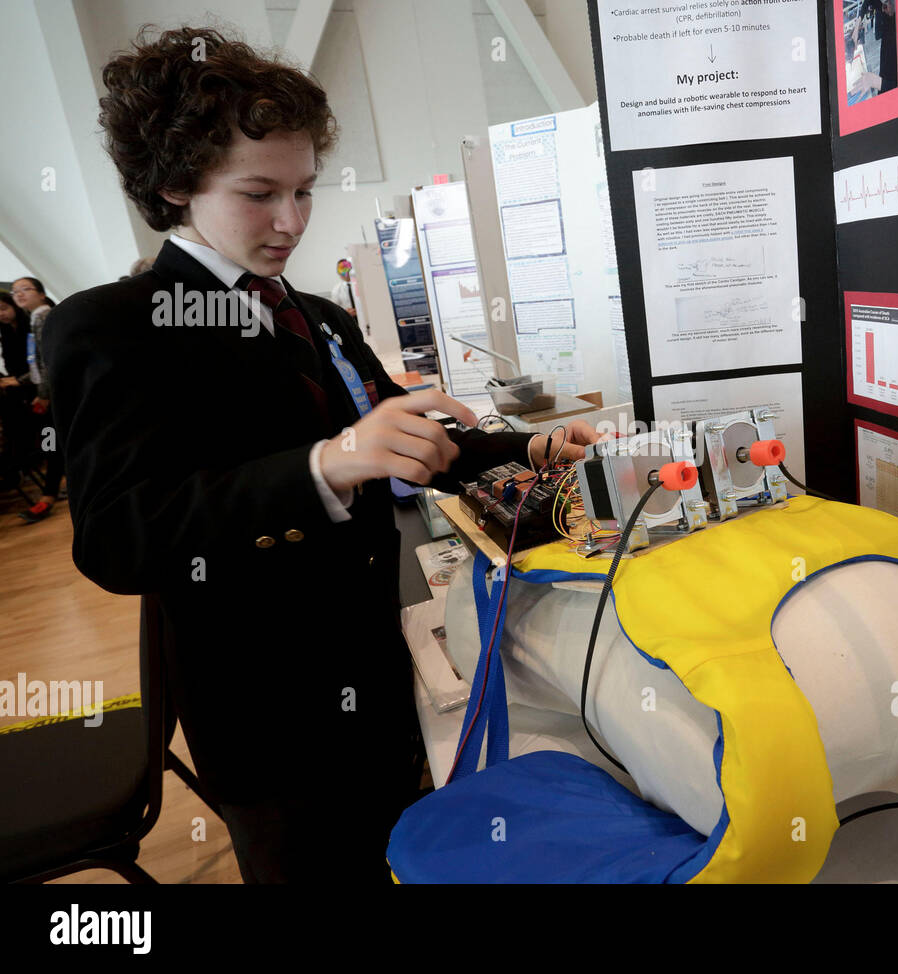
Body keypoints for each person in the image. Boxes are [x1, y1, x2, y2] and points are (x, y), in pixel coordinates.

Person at [43, 25, 599, 883]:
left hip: (378, 673)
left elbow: (405, 443)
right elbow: (118, 536)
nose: (292, 221)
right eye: (260, 193)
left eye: (303, 191)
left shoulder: (316, 314)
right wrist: (325, 466)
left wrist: (535, 444)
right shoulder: (113, 326)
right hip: (268, 716)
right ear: (175, 184)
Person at [10, 277, 62, 521]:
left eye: (25, 289)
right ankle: (52, 492)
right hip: (49, 392)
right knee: (53, 443)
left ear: (41, 294)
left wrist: (43, 395)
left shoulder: (42, 315)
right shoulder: (36, 316)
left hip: (53, 395)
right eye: (14, 291)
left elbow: (48, 360)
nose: (18, 294)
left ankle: (48, 497)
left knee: (51, 443)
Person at [0, 291, 34, 490]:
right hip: (18, 386)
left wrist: (18, 381)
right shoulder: (5, 332)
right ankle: (15, 465)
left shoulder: (30, 325)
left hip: (35, 387)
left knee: (49, 434)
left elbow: (39, 365)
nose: (1, 314)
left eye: (4, 309)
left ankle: (18, 464)